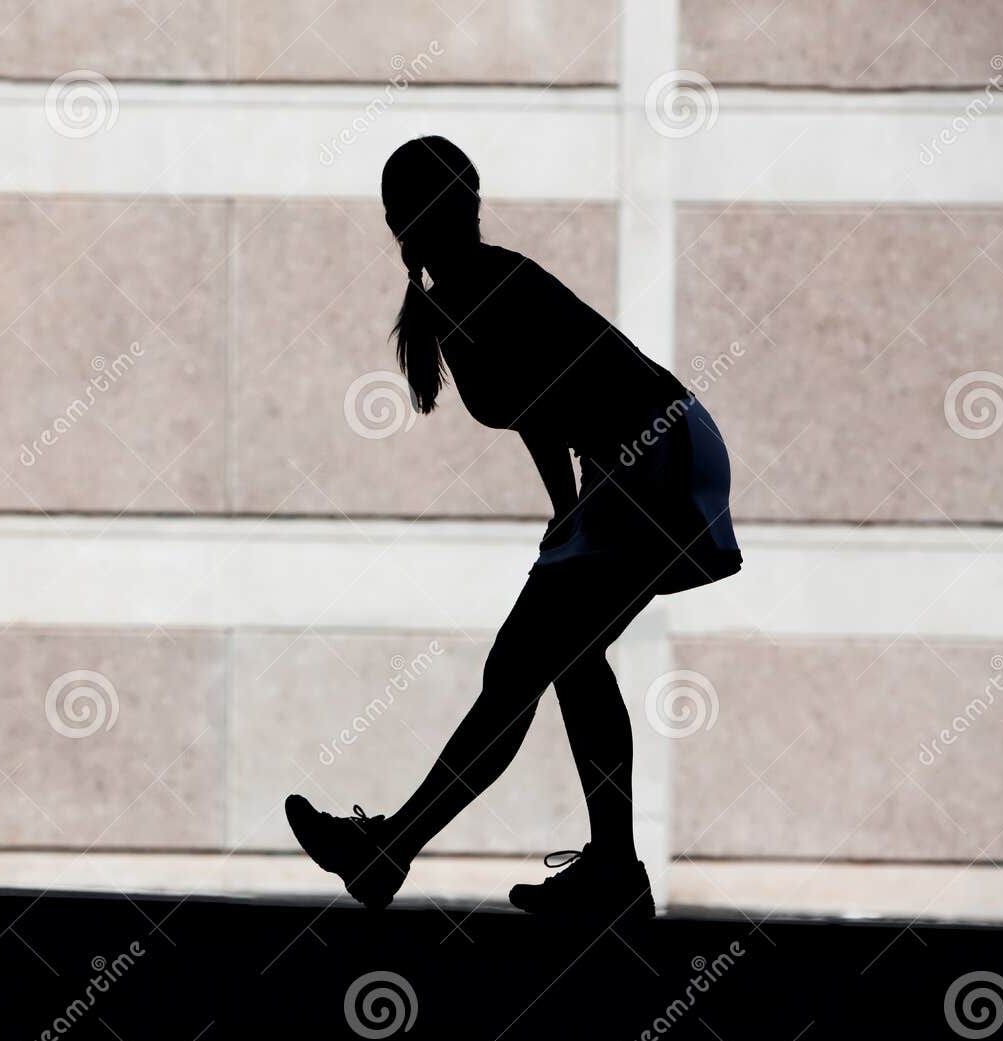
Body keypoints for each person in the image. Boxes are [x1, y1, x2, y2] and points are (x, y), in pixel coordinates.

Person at [286, 136, 742, 920]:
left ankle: (396, 851)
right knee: (554, 661)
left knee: (526, 666)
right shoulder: (458, 297)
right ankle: (605, 871)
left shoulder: (487, 288)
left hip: (650, 456)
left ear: (403, 220)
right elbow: (546, 407)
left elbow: (555, 394)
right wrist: (564, 510)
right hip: (634, 461)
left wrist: (570, 510)